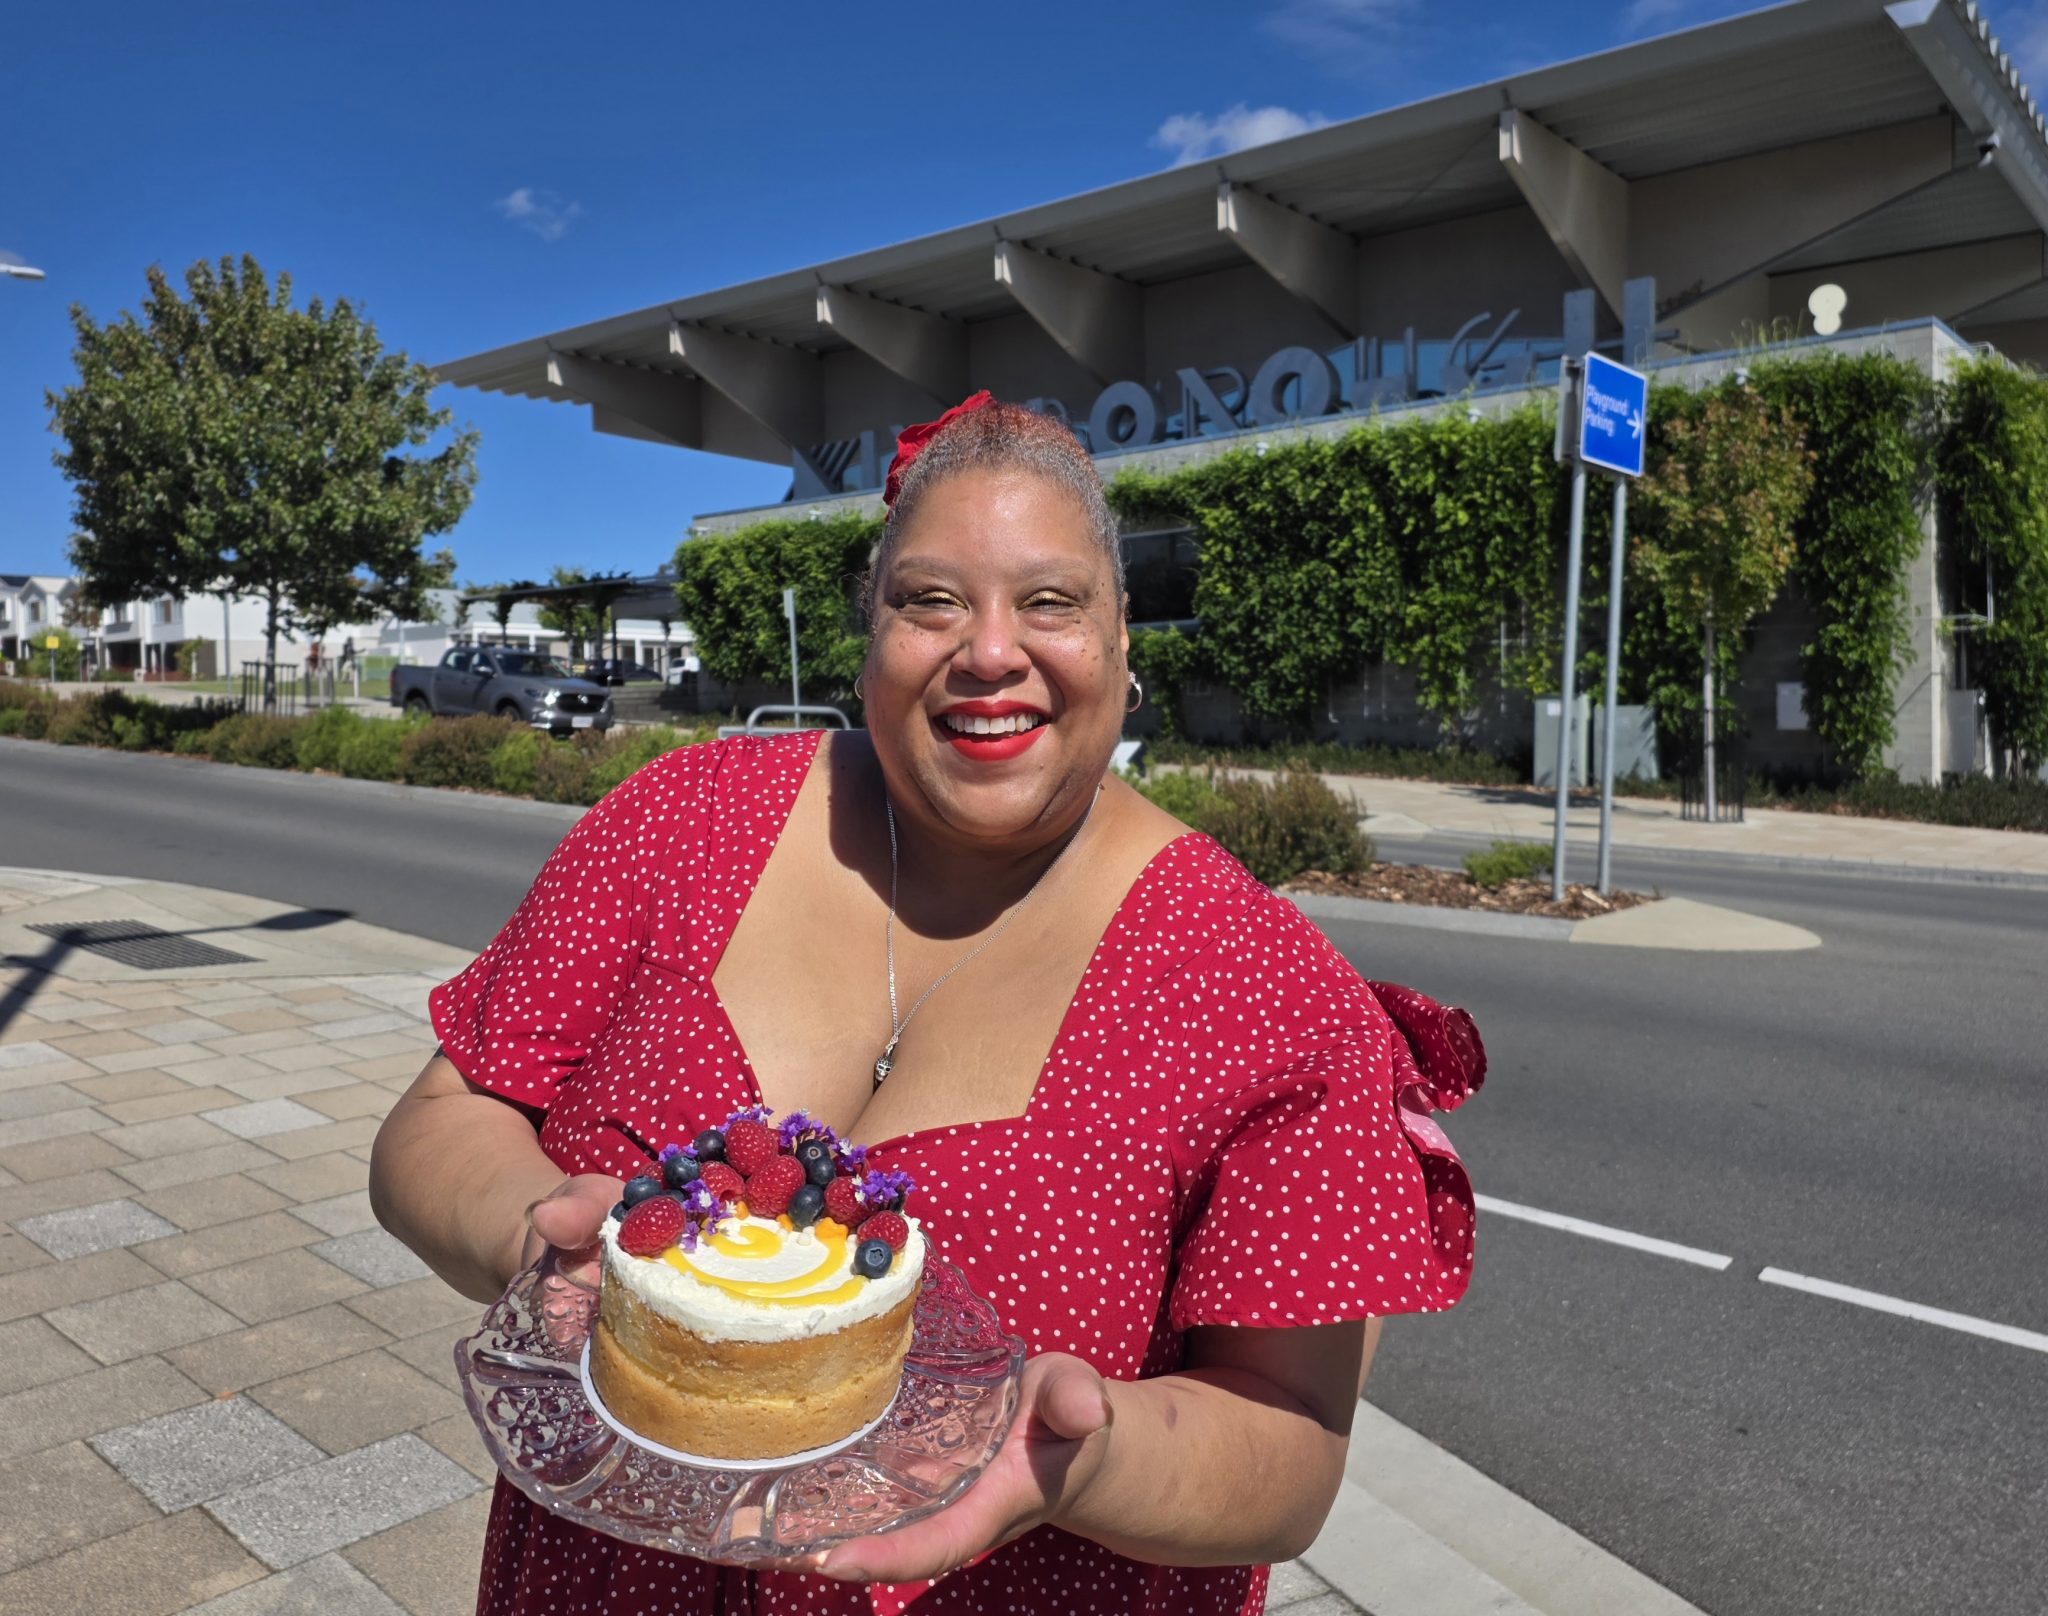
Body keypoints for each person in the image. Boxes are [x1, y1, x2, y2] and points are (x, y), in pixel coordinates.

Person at [370, 393, 1484, 1616]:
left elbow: (1293, 1448)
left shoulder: (1269, 992)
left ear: (1124, 644)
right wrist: (546, 1249)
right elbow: (441, 1120)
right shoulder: (675, 825)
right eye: (929, 600)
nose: (988, 650)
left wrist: (1080, 1453)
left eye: (1049, 600)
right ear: (869, 638)